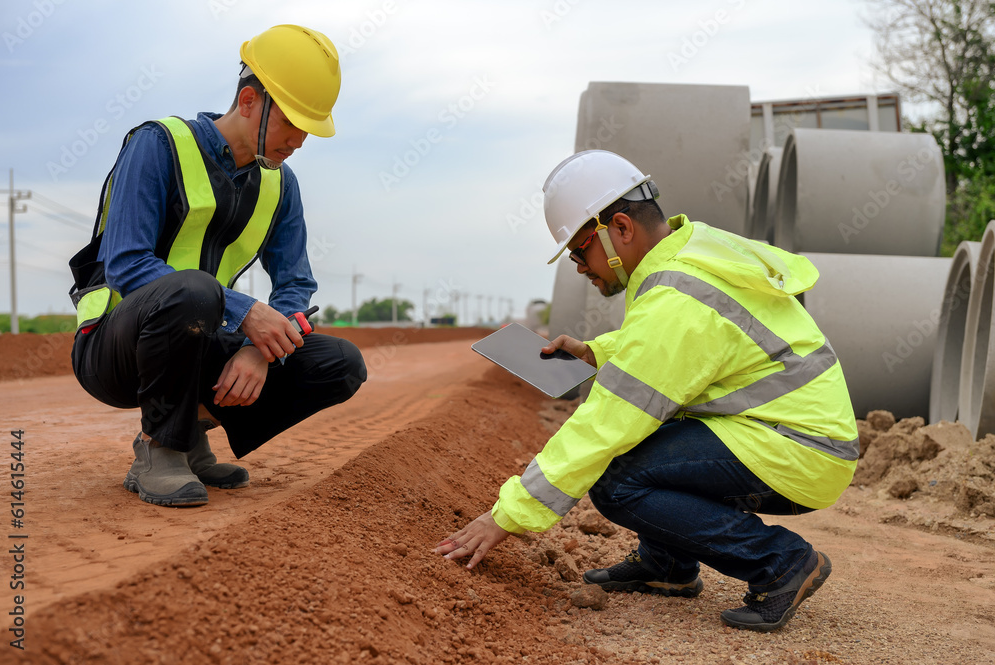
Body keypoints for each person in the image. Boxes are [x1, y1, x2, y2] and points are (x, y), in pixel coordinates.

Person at [435, 150, 858, 632]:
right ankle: (668, 569)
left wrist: (505, 517)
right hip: (794, 432)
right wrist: (598, 351)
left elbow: (604, 426)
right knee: (647, 444)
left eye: (579, 251)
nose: (578, 267)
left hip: (800, 450)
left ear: (620, 227)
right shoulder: (690, 252)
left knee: (617, 475)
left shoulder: (675, 299)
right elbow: (685, 346)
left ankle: (781, 562)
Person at [68, 25, 367, 508]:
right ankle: (161, 447)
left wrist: (258, 350)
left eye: (310, 127)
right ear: (249, 101)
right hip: (114, 347)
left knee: (340, 363)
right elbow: (125, 263)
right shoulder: (158, 144)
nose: (300, 140)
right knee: (195, 290)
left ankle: (188, 434)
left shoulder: (281, 185)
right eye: (292, 121)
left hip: (202, 339)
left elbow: (296, 284)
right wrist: (245, 311)